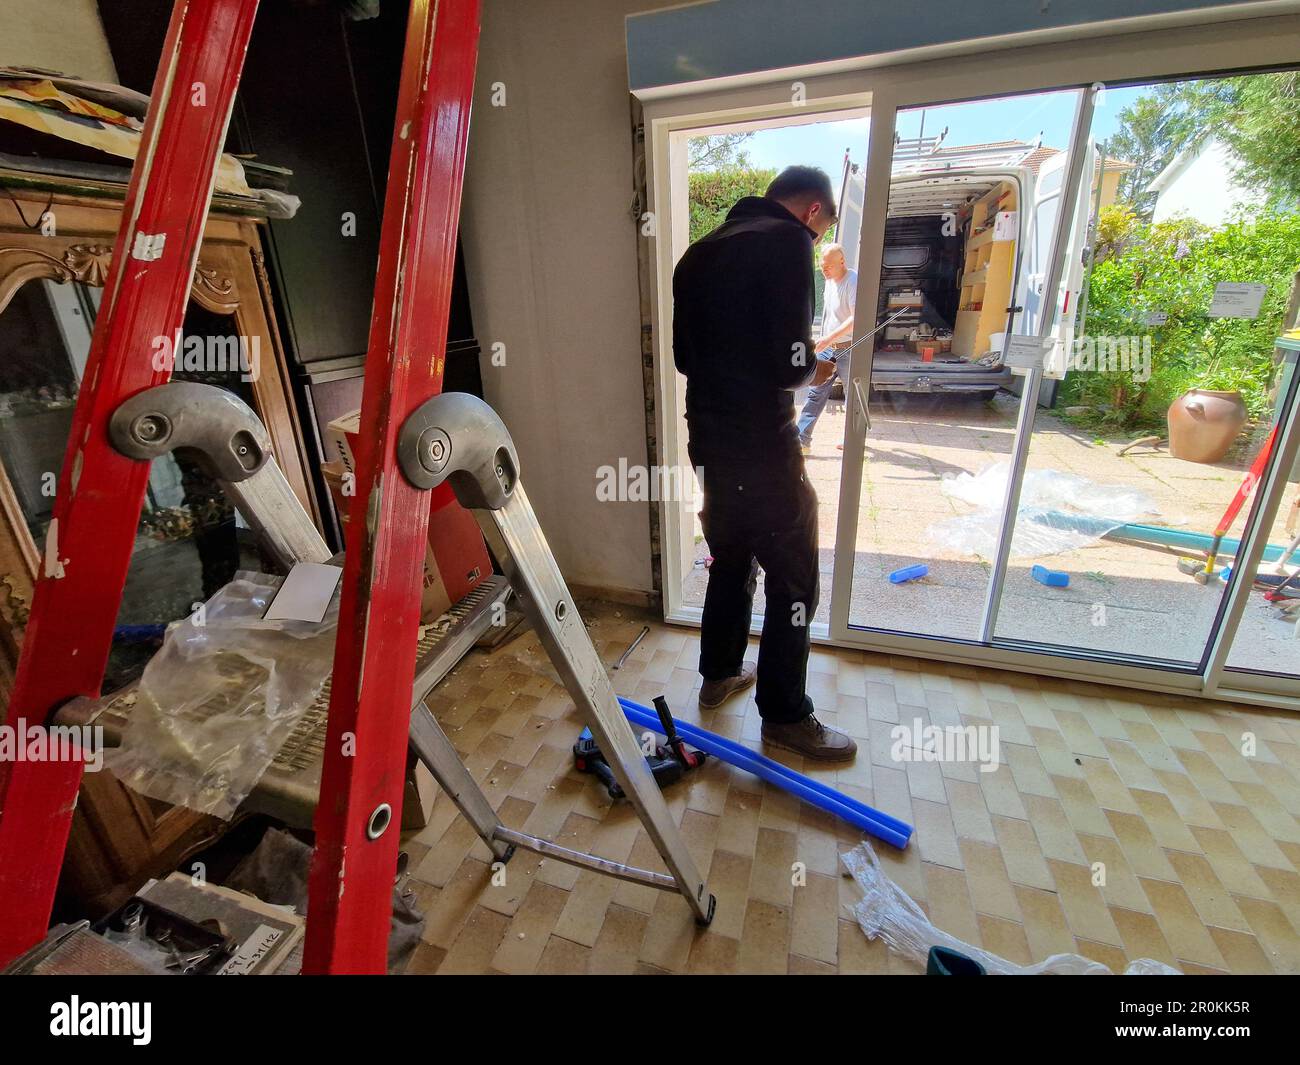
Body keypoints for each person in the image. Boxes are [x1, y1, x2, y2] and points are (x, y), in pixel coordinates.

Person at [671, 166, 858, 762]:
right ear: (812, 212)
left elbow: (683, 357)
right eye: (822, 223)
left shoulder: (697, 254)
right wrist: (817, 369)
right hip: (764, 448)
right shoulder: (786, 243)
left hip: (710, 443)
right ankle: (785, 716)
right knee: (794, 579)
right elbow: (789, 362)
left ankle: (719, 674)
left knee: (730, 560)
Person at [797, 243, 856, 454]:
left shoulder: (853, 281)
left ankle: (853, 440)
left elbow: (855, 319)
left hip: (850, 347)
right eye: (822, 266)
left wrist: (829, 338)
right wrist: (821, 338)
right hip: (829, 347)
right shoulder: (829, 282)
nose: (825, 270)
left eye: (828, 266)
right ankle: (801, 439)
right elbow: (830, 316)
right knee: (815, 392)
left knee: (853, 397)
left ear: (842, 261)